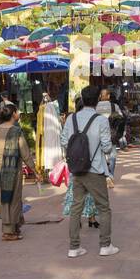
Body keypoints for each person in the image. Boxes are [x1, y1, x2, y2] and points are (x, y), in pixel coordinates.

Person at [60, 85, 117, 258]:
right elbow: (107, 148)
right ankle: (105, 245)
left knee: (76, 207)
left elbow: (64, 142)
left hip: (76, 169)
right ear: (98, 100)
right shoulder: (101, 120)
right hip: (95, 169)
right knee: (104, 208)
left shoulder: (72, 119)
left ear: (83, 100)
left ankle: (74, 247)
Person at [0, 103, 38, 241]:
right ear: (13, 114)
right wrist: (34, 170)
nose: (19, 113)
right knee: (13, 200)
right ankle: (9, 232)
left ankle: (13, 227)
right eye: (17, 111)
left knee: (2, 201)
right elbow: (25, 153)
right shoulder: (16, 131)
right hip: (13, 172)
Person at [62, 95, 100, 228]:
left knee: (76, 192)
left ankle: (77, 219)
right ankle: (92, 218)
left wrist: (71, 152)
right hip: (90, 162)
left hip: (75, 162)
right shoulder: (95, 120)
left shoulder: (70, 120)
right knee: (91, 191)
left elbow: (64, 141)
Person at [39, 90, 63, 173]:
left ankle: (50, 169)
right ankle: (55, 169)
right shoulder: (53, 106)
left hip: (47, 132)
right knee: (53, 148)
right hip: (53, 131)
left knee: (49, 149)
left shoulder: (45, 107)